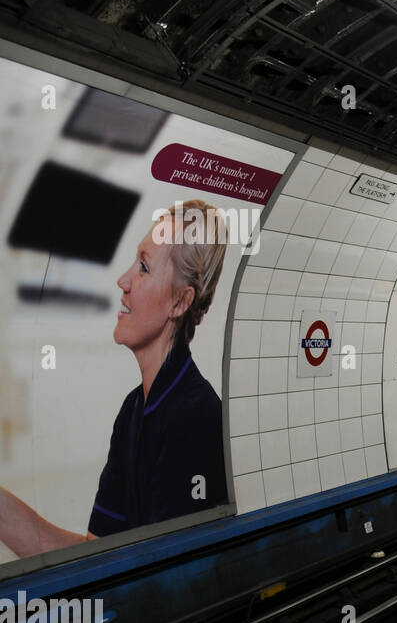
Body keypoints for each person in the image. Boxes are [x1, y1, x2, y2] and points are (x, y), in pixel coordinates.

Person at [0, 200, 230, 558]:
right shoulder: (135, 409)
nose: (123, 281)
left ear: (179, 302)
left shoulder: (195, 418)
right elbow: (100, 556)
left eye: (143, 267)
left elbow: (162, 584)